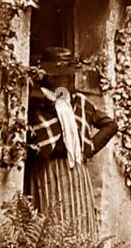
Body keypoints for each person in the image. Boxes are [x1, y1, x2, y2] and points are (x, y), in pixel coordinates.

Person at [26, 76, 118, 238]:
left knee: (78, 219)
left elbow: (110, 125)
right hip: (46, 173)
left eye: (65, 76)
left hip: (76, 173)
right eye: (57, 76)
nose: (62, 81)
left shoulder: (80, 103)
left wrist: (88, 149)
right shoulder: (36, 103)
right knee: (48, 223)